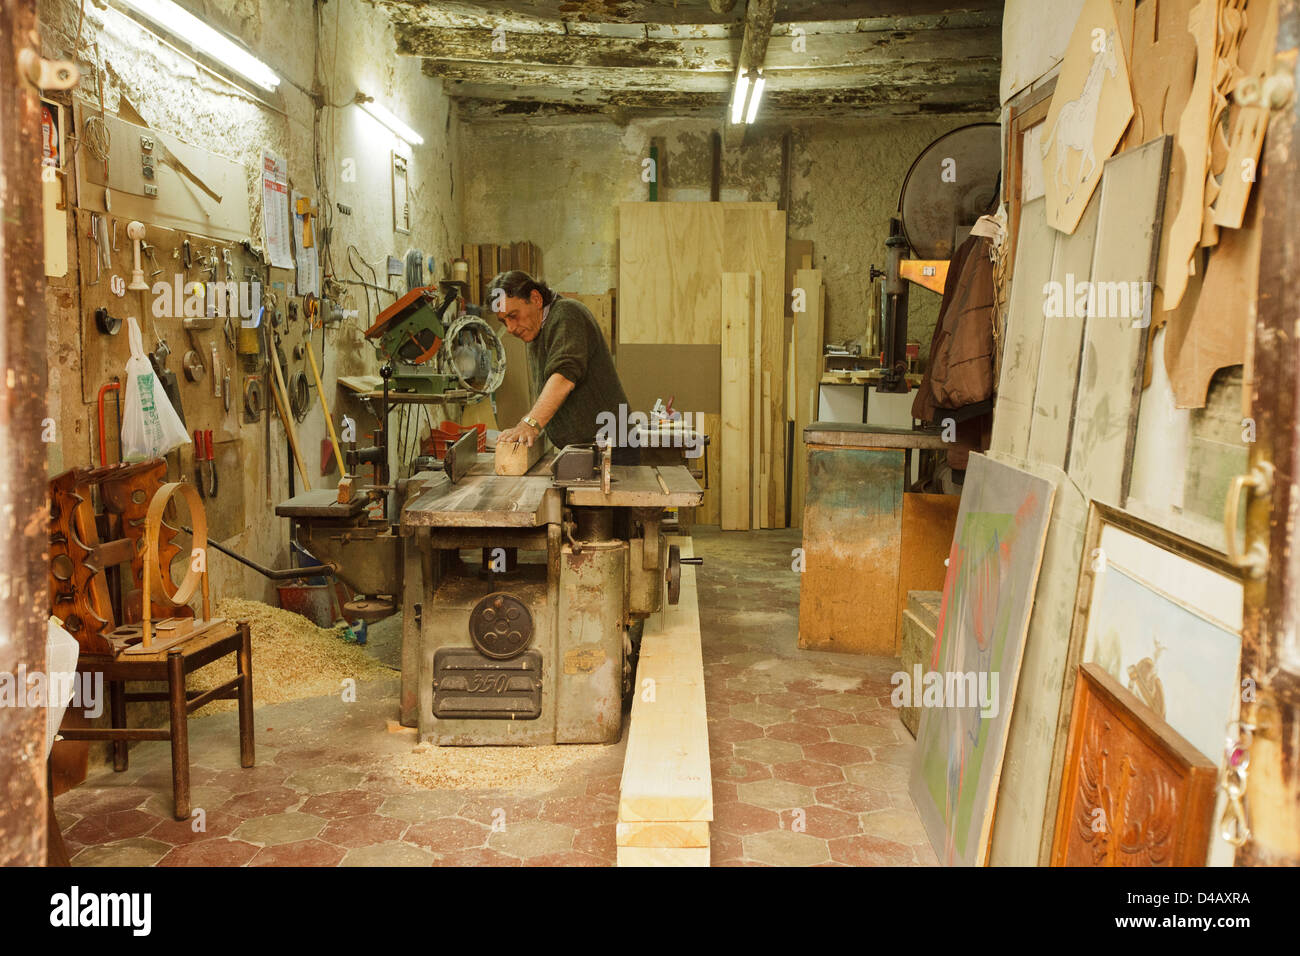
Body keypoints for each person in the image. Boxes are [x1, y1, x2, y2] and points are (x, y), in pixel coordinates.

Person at [490, 270, 640, 464]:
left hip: (612, 450)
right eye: (504, 321)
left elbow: (563, 378)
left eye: (513, 315)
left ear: (535, 299)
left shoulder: (567, 314)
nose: (510, 328)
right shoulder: (536, 331)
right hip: (583, 451)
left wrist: (529, 424)